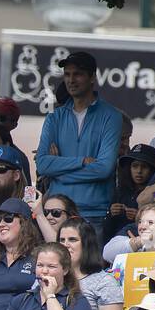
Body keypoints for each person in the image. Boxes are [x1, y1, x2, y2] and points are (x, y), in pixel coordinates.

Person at [35, 52, 121, 222]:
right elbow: (43, 164)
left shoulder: (111, 116)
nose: (71, 80)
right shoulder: (54, 117)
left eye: (78, 74)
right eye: (67, 74)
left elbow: (104, 169)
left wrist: (58, 170)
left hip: (94, 214)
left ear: (92, 78)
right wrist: (80, 161)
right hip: (57, 213)